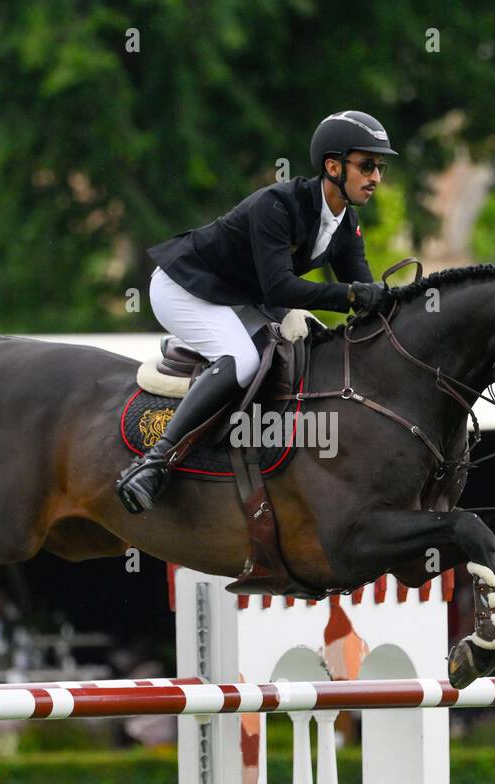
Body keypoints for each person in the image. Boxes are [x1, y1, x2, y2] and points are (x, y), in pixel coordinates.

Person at [116, 110, 399, 513]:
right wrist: (351, 296)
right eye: (367, 165)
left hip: (238, 296)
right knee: (243, 359)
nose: (376, 177)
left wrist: (394, 304)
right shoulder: (278, 205)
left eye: (380, 167)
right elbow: (281, 287)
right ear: (333, 166)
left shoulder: (345, 223)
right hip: (184, 286)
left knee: (305, 349)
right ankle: (153, 463)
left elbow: (364, 293)